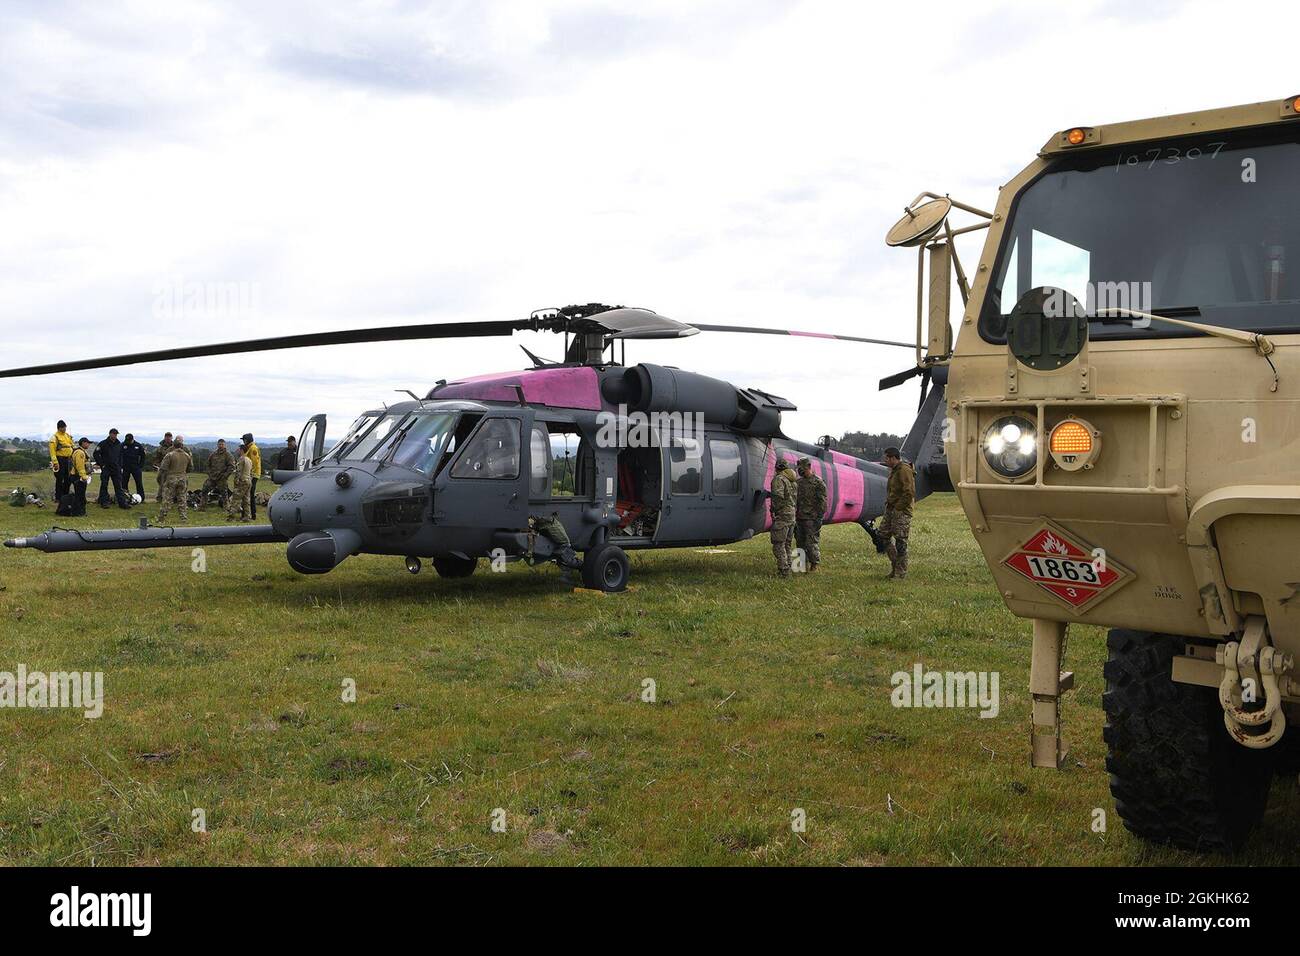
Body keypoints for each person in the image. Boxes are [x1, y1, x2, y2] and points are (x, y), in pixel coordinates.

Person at [881, 446, 915, 580]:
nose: (886, 460)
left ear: (893, 458)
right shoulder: (894, 470)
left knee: (900, 541)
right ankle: (895, 565)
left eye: (887, 458)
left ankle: (900, 572)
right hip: (891, 508)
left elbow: (909, 492)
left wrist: (899, 508)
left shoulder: (904, 470)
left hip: (901, 510)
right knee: (883, 535)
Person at [795, 457, 828, 572]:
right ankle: (802, 565)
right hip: (799, 518)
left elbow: (822, 502)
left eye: (802, 467)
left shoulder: (818, 483)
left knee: (811, 542)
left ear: (809, 466)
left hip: (812, 519)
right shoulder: (798, 482)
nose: (800, 470)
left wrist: (818, 518)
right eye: (799, 467)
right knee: (800, 542)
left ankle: (814, 564)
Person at [769, 452, 798, 577]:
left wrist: (775, 510)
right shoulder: (793, 481)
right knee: (787, 543)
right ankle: (789, 567)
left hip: (783, 515)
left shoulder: (779, 479)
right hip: (792, 515)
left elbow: (778, 497)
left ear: (777, 468)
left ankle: (783, 571)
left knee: (778, 544)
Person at [157, 435, 193, 522]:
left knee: (167, 499)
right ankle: (183, 518)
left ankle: (161, 518)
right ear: (181, 446)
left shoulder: (169, 455)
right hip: (183, 479)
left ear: (174, 445)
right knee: (182, 499)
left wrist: (161, 480)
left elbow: (163, 469)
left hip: (171, 478)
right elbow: (190, 468)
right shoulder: (187, 455)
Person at [95, 428, 129, 509]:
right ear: (110, 434)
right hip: (106, 467)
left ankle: (122, 503)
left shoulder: (119, 444)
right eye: (113, 434)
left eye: (116, 434)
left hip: (116, 468)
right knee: (104, 485)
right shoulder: (103, 443)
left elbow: (121, 456)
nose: (115, 435)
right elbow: (96, 454)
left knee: (118, 486)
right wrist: (102, 464)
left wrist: (120, 465)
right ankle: (104, 502)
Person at [203, 439, 236, 509]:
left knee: (224, 494)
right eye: (219, 444)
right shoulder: (213, 454)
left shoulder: (228, 455)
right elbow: (208, 464)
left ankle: (226, 507)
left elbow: (232, 467)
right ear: (217, 445)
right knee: (205, 489)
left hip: (222, 478)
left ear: (224, 445)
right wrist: (209, 473)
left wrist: (225, 476)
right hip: (212, 478)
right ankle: (202, 506)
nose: (220, 446)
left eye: (222, 444)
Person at [49, 420, 74, 502]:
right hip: (60, 460)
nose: (65, 429)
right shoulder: (54, 437)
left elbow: (72, 445)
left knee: (68, 479)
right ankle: (58, 498)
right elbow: (52, 451)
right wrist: (55, 462)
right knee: (60, 479)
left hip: (69, 460)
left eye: (65, 427)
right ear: (59, 428)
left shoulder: (67, 436)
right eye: (63, 428)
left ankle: (65, 496)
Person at [227, 445, 254, 521]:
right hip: (248, 480)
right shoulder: (249, 460)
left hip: (242, 481)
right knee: (246, 500)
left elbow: (238, 471)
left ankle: (231, 516)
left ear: (242, 450)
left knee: (236, 499)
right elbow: (251, 472)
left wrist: (236, 481)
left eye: (239, 449)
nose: (238, 451)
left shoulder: (241, 459)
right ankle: (247, 517)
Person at [68, 437, 92, 516]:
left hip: (76, 476)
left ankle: (78, 512)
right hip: (78, 477)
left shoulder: (79, 451)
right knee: (80, 496)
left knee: (80, 495)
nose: (88, 444)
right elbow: (80, 466)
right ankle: (78, 512)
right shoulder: (80, 453)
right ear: (83, 443)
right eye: (87, 443)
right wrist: (84, 477)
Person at [241, 433, 262, 518]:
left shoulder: (253, 448)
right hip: (251, 474)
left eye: (244, 439)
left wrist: (251, 475)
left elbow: (254, 463)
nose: (243, 441)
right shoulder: (250, 447)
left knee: (249, 493)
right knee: (248, 493)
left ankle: (252, 514)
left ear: (248, 439)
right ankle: (250, 513)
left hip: (253, 475)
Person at [121, 433, 147, 500]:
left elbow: (143, 456)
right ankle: (125, 497)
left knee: (139, 483)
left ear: (132, 439)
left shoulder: (138, 445)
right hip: (125, 467)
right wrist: (121, 466)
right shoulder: (123, 445)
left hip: (135, 467)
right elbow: (119, 455)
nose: (128, 442)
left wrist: (140, 465)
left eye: (129, 441)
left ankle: (141, 497)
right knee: (124, 483)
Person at [152, 432, 174, 502]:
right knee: (161, 482)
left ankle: (172, 498)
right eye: (167, 437)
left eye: (169, 437)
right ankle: (160, 498)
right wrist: (157, 465)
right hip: (163, 468)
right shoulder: (160, 448)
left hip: (172, 468)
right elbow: (157, 458)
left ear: (171, 438)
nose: (168, 438)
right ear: (164, 437)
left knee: (172, 484)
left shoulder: (175, 447)